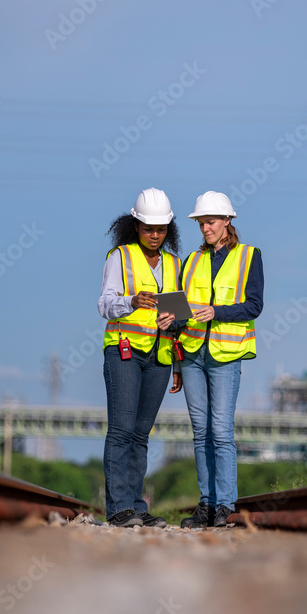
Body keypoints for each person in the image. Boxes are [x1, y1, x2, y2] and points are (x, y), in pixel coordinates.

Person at [178, 191, 264, 528]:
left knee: (221, 431)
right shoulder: (191, 260)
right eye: (201, 222)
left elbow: (253, 305)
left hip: (226, 354)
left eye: (210, 221)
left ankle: (225, 506)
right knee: (200, 432)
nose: (205, 227)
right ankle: (206, 504)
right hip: (191, 354)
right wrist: (174, 323)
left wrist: (217, 312)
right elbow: (182, 310)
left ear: (227, 221)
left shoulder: (248, 256)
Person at [98, 187, 184, 528]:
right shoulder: (119, 257)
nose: (154, 235)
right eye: (149, 228)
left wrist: (174, 327)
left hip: (160, 356)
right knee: (121, 431)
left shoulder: (176, 264)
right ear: (135, 225)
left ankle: (136, 504)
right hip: (124, 350)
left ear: (168, 229)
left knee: (141, 434)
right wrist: (132, 301)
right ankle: (119, 507)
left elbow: (179, 315)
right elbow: (105, 305)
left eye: (161, 229)